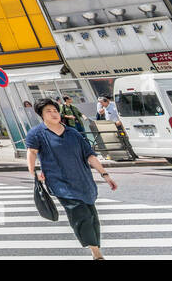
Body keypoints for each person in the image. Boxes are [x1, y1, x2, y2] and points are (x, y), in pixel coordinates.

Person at [27, 97, 118, 260]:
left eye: (55, 110)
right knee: (81, 215)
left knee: (92, 217)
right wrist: (33, 172)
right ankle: (96, 253)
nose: (54, 113)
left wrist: (105, 175)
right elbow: (32, 152)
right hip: (61, 184)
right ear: (41, 115)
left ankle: (95, 247)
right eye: (49, 111)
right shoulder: (37, 134)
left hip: (83, 181)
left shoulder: (72, 133)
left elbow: (90, 155)